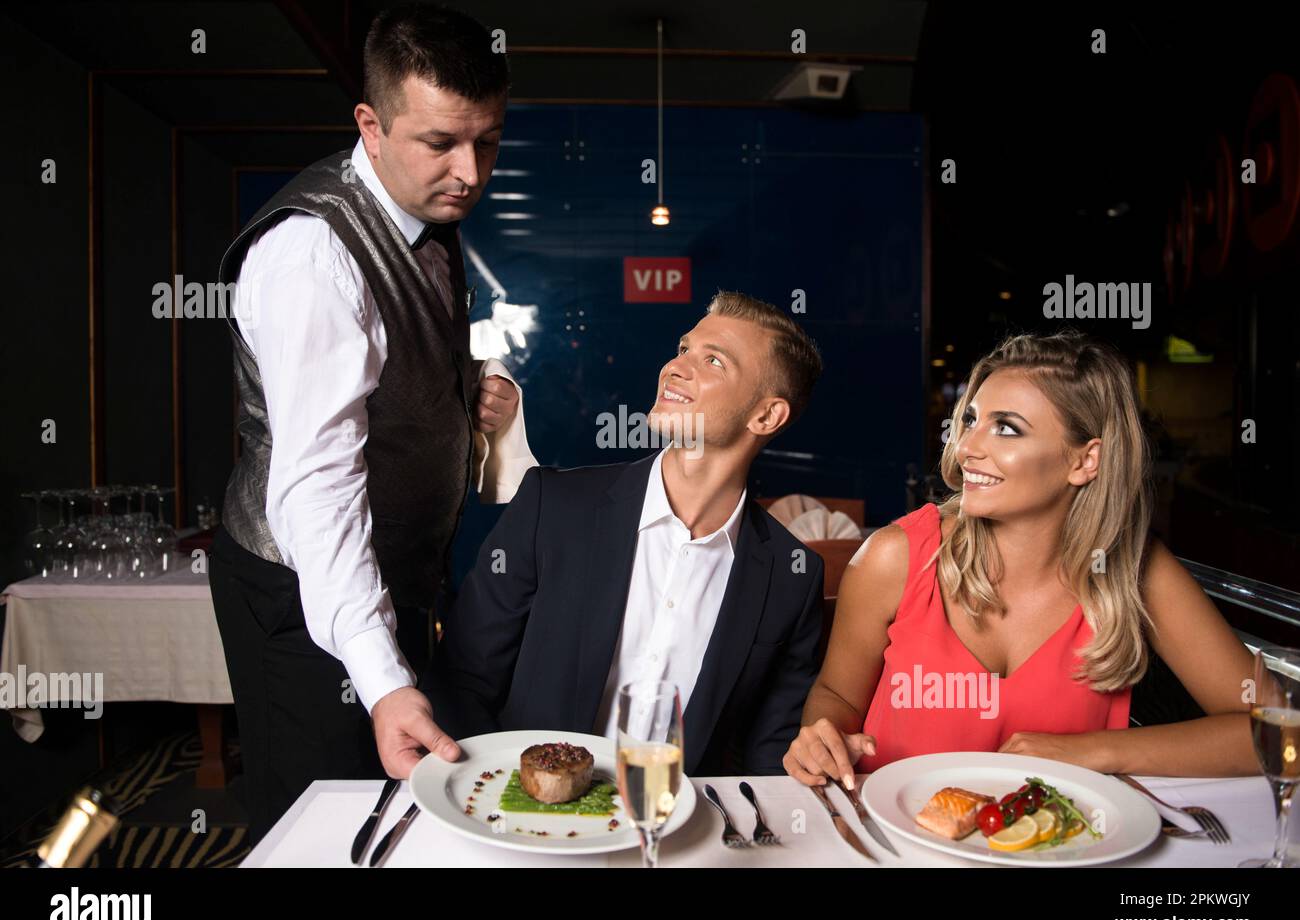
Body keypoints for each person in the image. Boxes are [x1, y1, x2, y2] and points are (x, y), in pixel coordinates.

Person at [209, 2, 536, 844]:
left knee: (395, 818)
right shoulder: (310, 257)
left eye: (488, 141)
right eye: (442, 143)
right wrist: (385, 677)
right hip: (300, 584)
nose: (470, 171)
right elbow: (315, 488)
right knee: (319, 828)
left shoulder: (421, 210)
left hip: (394, 576)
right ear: (373, 123)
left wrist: (466, 391)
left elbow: (383, 359)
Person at [784, 330, 1257, 788]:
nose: (966, 448)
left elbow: (1276, 730)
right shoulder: (895, 557)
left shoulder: (1132, 570)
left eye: (1006, 429)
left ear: (1084, 461)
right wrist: (822, 736)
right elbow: (837, 695)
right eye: (970, 420)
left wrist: (1097, 751)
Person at [401, 291, 825, 775]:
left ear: (766, 416)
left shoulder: (793, 576)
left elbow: (769, 756)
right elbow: (461, 681)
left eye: (713, 361)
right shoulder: (551, 507)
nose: (676, 367)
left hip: (677, 832)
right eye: (684, 349)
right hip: (527, 821)